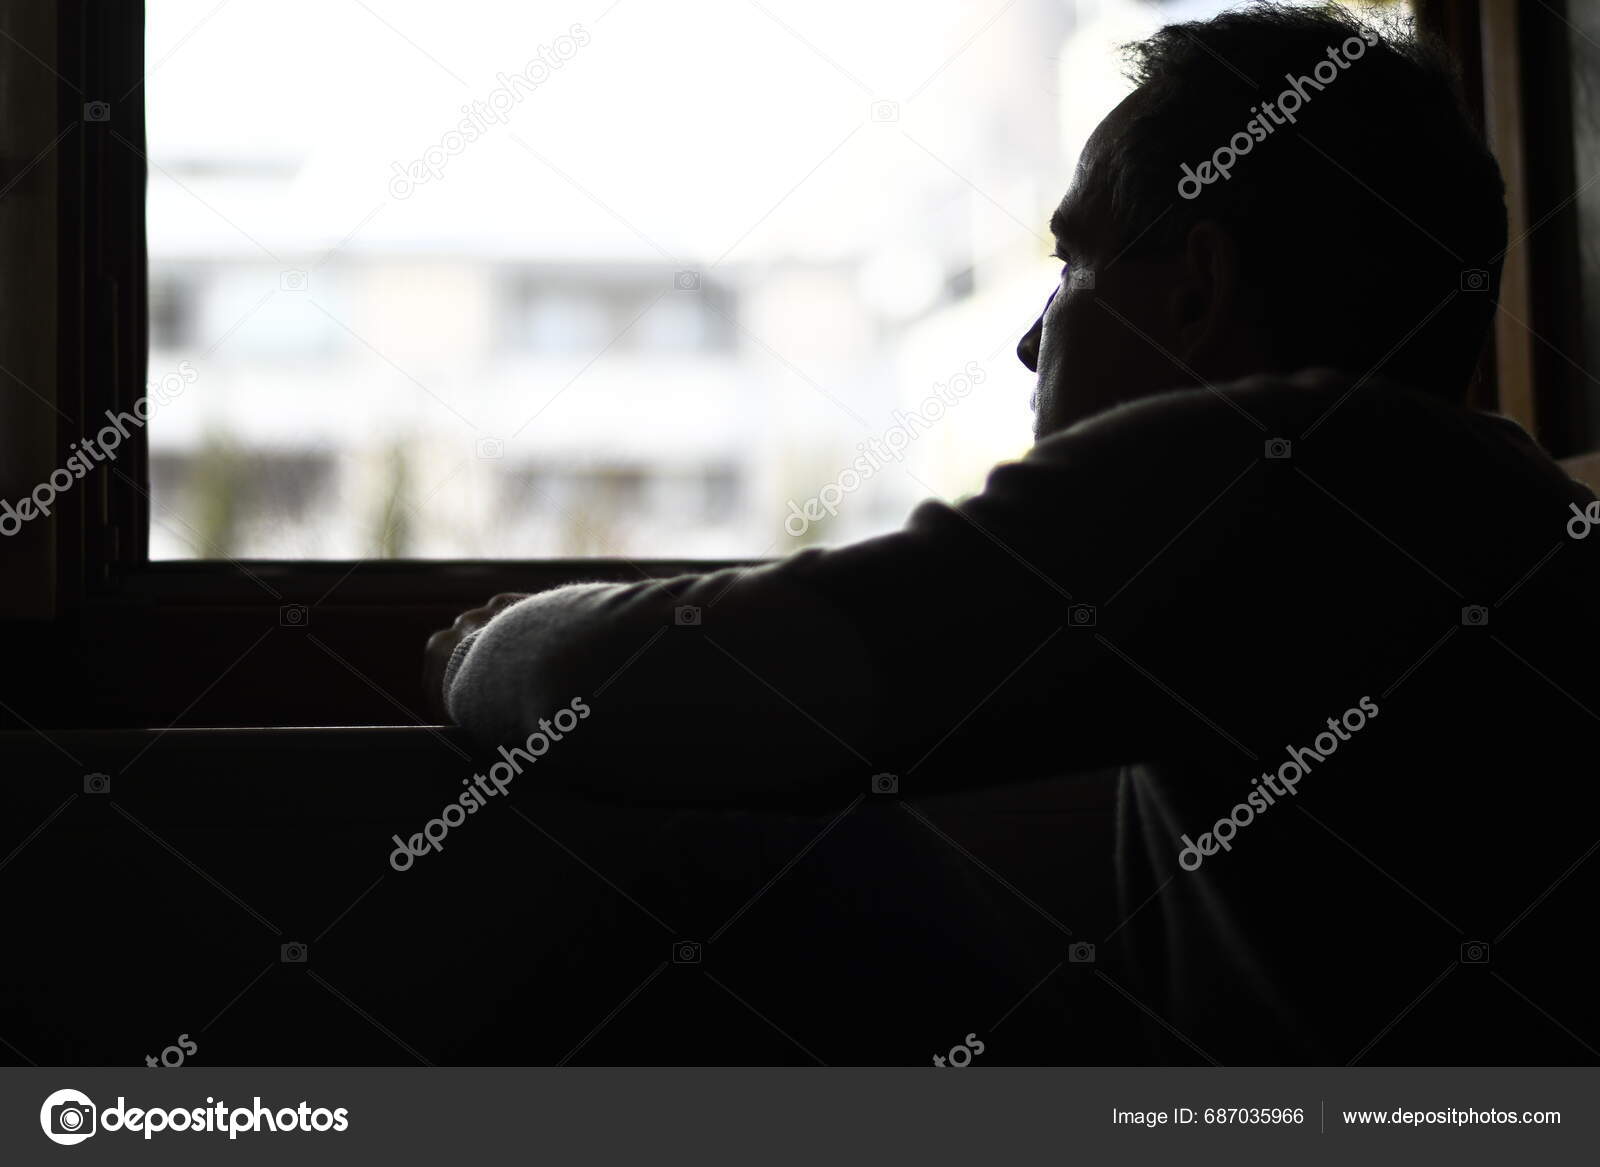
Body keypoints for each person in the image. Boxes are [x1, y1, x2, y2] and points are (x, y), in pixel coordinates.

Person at [423, 4, 1600, 1063]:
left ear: (1197, 290)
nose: (1033, 344)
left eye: (1072, 263)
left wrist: (478, 645)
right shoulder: (1476, 497)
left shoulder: (1261, 477)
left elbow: (656, 679)